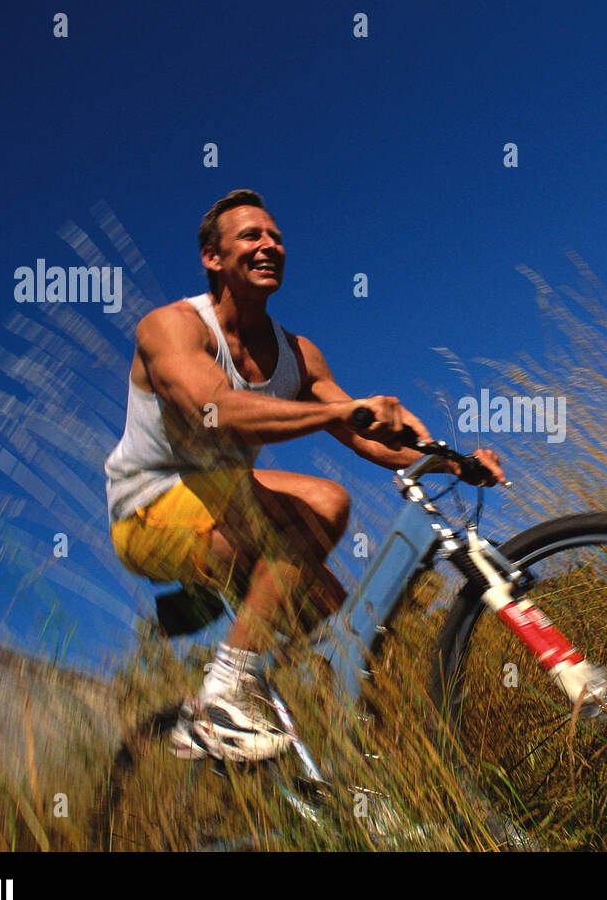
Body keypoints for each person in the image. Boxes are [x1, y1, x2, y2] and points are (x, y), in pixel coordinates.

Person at [104, 189, 503, 761]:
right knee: (326, 503)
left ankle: (313, 759)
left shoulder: (298, 355)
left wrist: (445, 457)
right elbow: (211, 410)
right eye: (251, 236)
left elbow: (364, 433)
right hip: (148, 514)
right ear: (212, 258)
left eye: (277, 236)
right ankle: (220, 699)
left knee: (339, 623)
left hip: (231, 505)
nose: (270, 245)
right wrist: (336, 411)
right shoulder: (171, 327)